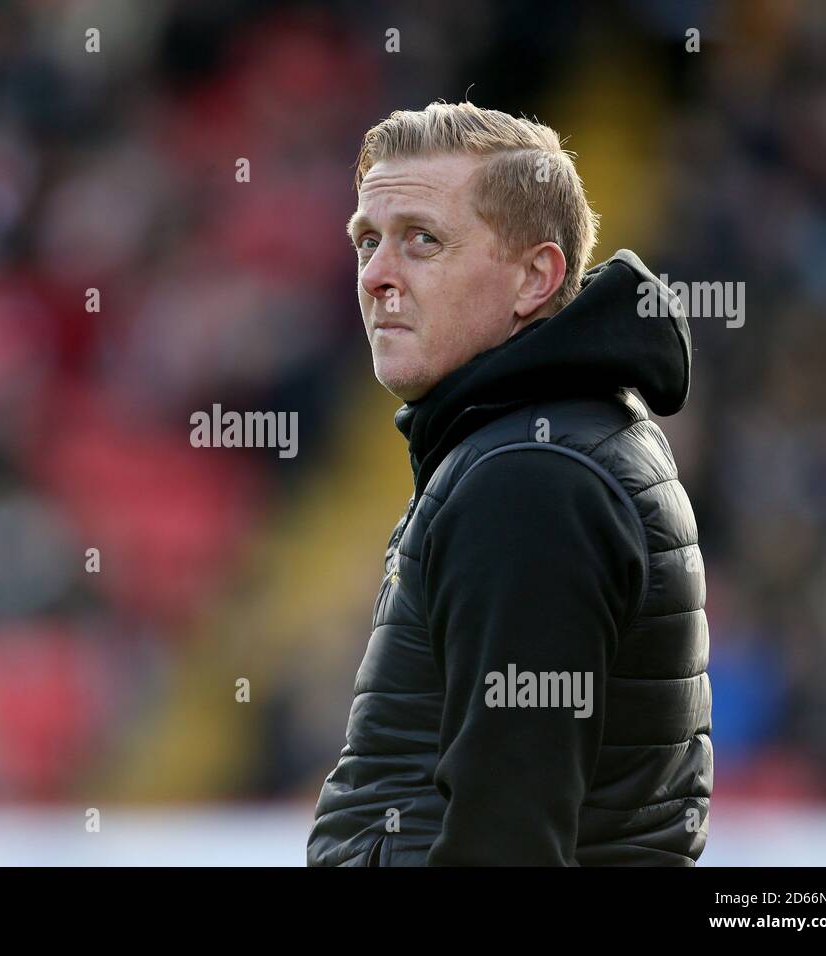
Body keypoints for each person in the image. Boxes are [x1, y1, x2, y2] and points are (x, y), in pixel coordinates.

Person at [307, 101, 713, 866]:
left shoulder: (531, 478)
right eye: (367, 241)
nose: (376, 277)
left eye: (421, 240)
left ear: (536, 276)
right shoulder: (546, 442)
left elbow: (509, 843)